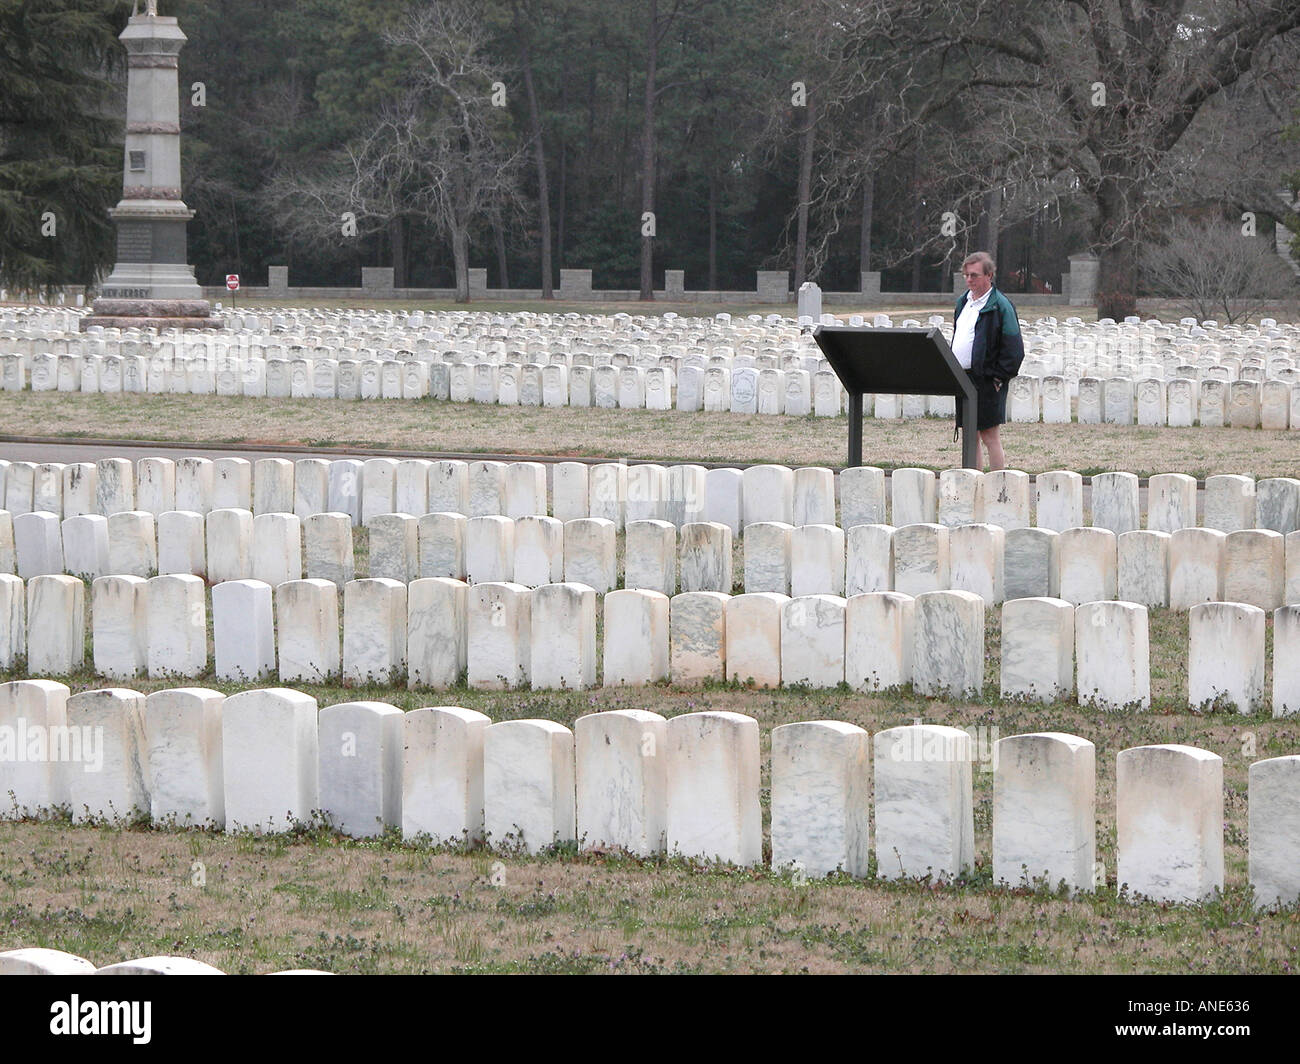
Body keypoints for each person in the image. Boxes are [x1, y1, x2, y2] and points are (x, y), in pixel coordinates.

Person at [950, 251, 1024, 471]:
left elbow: (1014, 348)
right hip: (963, 378)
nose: (969, 280)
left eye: (974, 275)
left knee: (989, 436)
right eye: (966, 275)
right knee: (970, 435)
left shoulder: (1001, 305)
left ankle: (997, 487)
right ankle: (975, 484)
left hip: (988, 378)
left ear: (989, 275)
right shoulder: (963, 302)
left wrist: (999, 377)